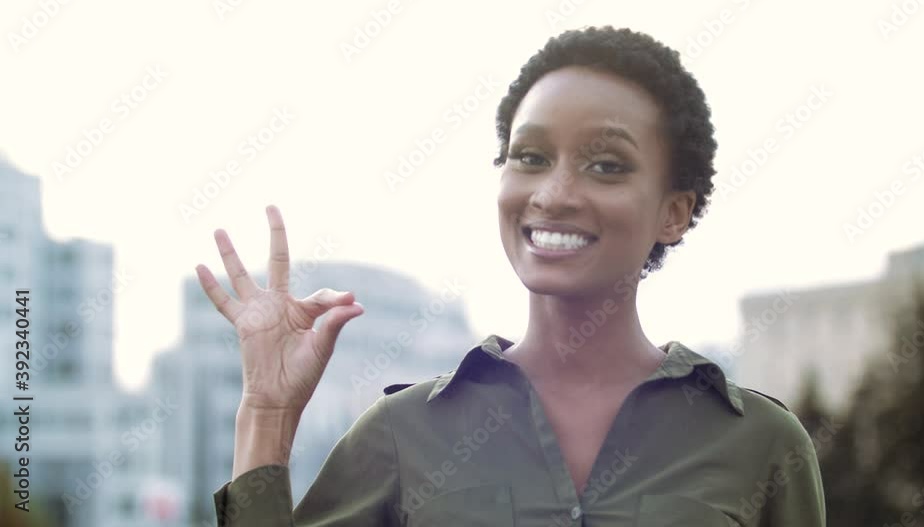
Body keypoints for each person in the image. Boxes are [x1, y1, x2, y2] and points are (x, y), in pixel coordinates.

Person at [198, 25, 826, 526]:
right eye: (530, 157)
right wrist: (267, 410)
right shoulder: (401, 435)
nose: (553, 193)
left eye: (606, 165)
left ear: (673, 211)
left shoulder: (764, 446)